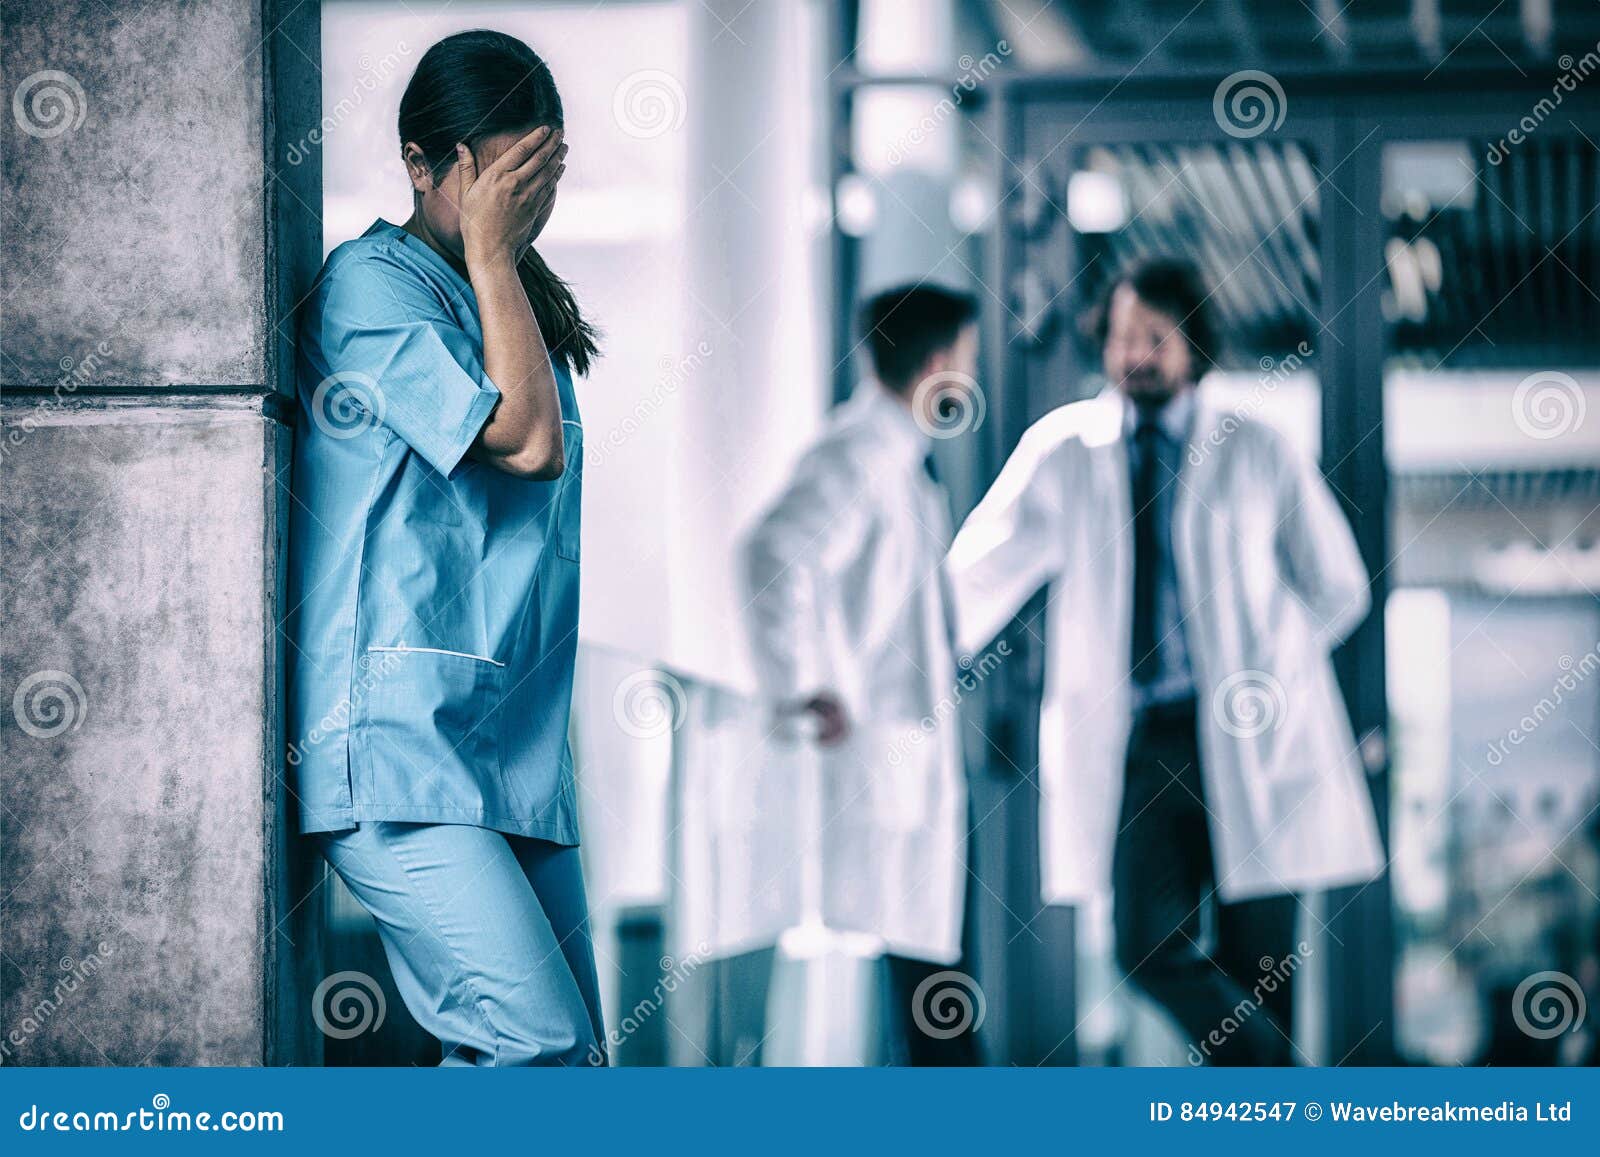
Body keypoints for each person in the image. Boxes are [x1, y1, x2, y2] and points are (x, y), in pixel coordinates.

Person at [948, 258, 1383, 1065]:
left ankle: (1262, 1115)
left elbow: (1338, 586)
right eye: (1120, 337)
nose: (1133, 355)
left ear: (1194, 342)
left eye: (1154, 337)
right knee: (1144, 946)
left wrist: (1273, 665)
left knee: (1261, 964)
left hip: (1256, 731)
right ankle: (1290, 1086)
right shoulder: (1066, 449)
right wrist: (914, 656)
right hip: (1144, 742)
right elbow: (981, 570)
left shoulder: (1257, 447)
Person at [287, 29, 604, 1066]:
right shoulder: (371, 287)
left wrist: (496, 264)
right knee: (535, 1048)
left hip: (509, 741)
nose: (519, 207)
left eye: (535, 180)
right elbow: (528, 443)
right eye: (497, 182)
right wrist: (495, 252)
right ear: (420, 165)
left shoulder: (507, 303)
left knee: (580, 1069)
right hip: (398, 746)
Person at [740, 285, 980, 1065]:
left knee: (931, 986)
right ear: (939, 365)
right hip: (879, 755)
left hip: (903, 754)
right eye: (968, 359)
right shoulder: (860, 453)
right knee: (924, 991)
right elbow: (772, 551)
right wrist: (804, 685)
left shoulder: (899, 456)